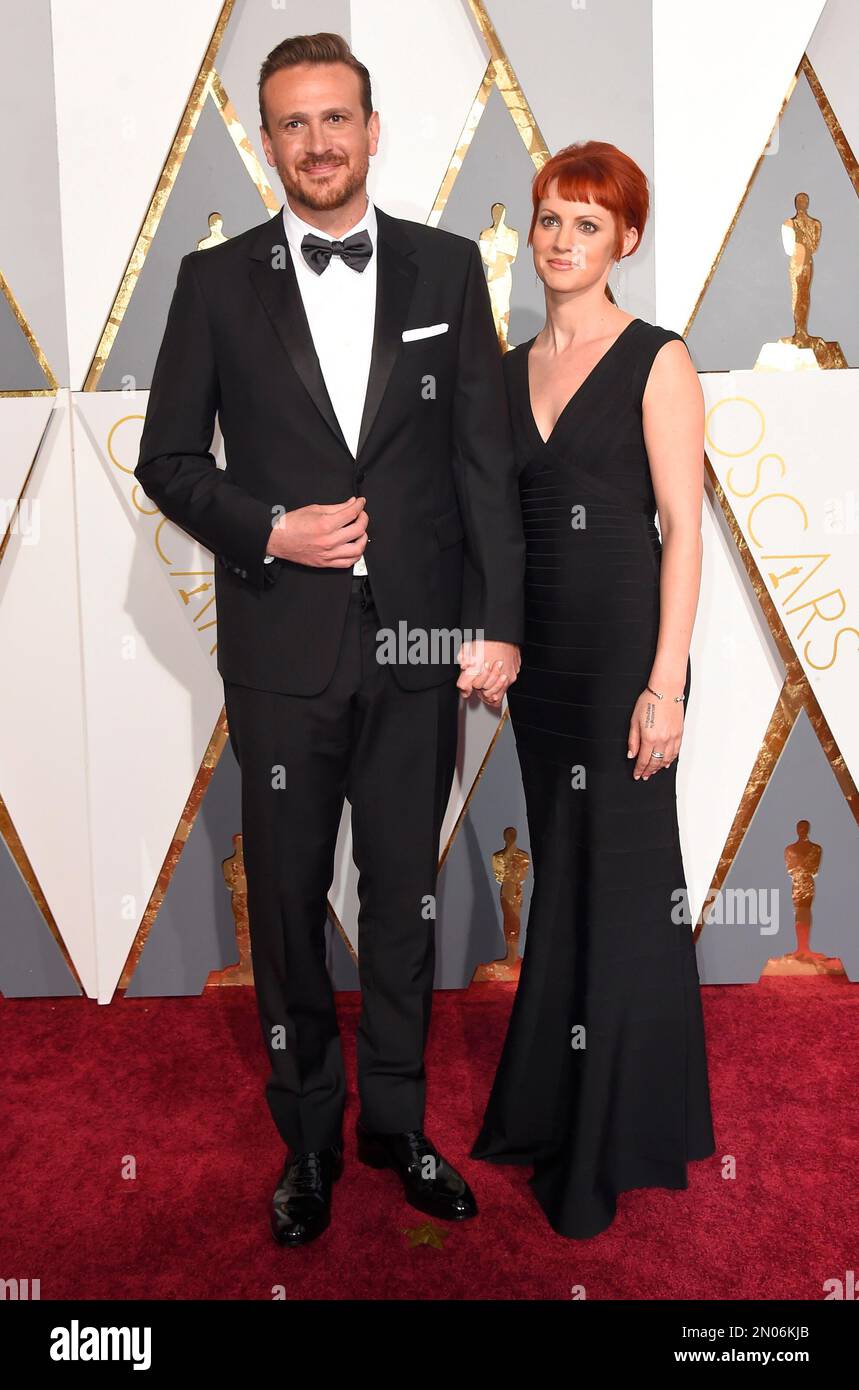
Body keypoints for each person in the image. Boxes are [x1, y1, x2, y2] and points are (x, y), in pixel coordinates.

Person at [135, 32, 525, 1246]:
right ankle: (306, 1139)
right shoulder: (212, 284)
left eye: (336, 119)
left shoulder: (448, 270)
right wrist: (270, 527)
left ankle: (395, 1129)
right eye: (294, 124)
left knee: (402, 902)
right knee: (292, 907)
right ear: (269, 142)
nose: (319, 143)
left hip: (417, 649)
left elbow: (482, 464)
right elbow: (168, 461)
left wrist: (497, 627)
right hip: (281, 653)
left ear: (372, 127)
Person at [470, 141, 716, 1239]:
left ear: (625, 240)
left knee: (620, 886)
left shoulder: (657, 358)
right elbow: (498, 534)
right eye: (548, 220)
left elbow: (682, 532)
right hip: (547, 674)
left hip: (627, 660)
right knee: (566, 875)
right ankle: (553, 1103)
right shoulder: (508, 366)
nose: (561, 240)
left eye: (586, 222)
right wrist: (498, 641)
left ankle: (606, 1148)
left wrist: (667, 685)